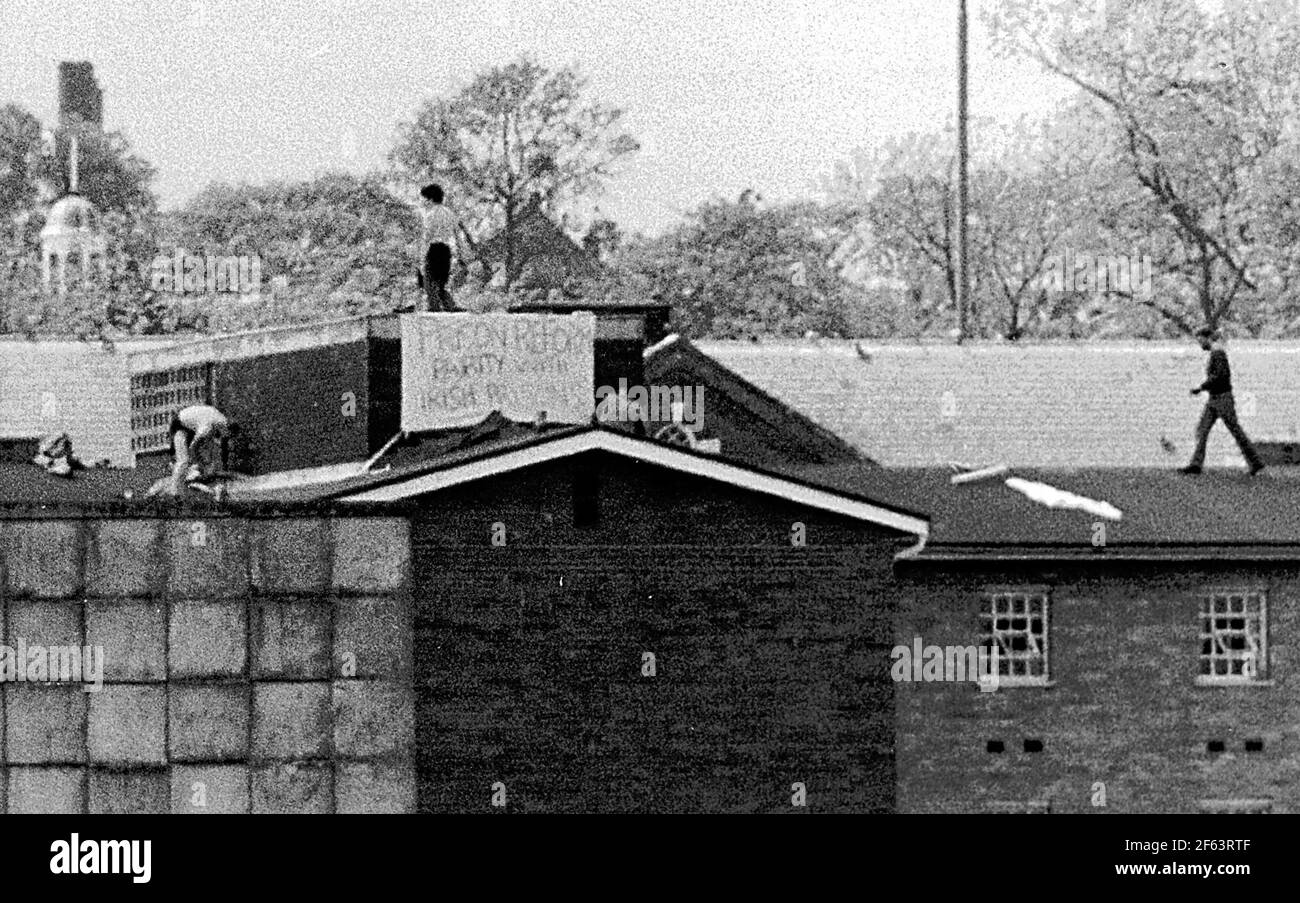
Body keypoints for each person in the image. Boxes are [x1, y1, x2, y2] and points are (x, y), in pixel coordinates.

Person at [1180, 327, 1265, 476]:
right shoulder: (1216, 353)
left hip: (1223, 399)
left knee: (1235, 431)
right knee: (1202, 429)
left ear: (1207, 338)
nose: (1200, 344)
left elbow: (1221, 376)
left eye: (1200, 340)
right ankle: (1195, 464)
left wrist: (1201, 387)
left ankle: (1256, 462)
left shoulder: (1218, 353)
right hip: (1214, 398)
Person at [165, 404, 232, 494]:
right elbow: (193, 447)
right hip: (180, 426)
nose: (221, 437)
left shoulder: (221, 420)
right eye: (222, 435)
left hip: (191, 426)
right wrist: (200, 462)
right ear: (225, 429)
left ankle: (201, 479)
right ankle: (174, 493)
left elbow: (220, 447)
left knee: (206, 455)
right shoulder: (207, 427)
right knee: (183, 461)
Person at [417, 184, 461, 312]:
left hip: (434, 249)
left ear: (430, 199)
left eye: (424, 198)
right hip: (446, 251)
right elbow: (457, 236)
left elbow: (427, 238)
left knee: (429, 284)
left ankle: (434, 310)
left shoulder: (430, 215)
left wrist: (421, 258)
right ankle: (449, 308)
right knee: (441, 285)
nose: (423, 202)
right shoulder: (450, 213)